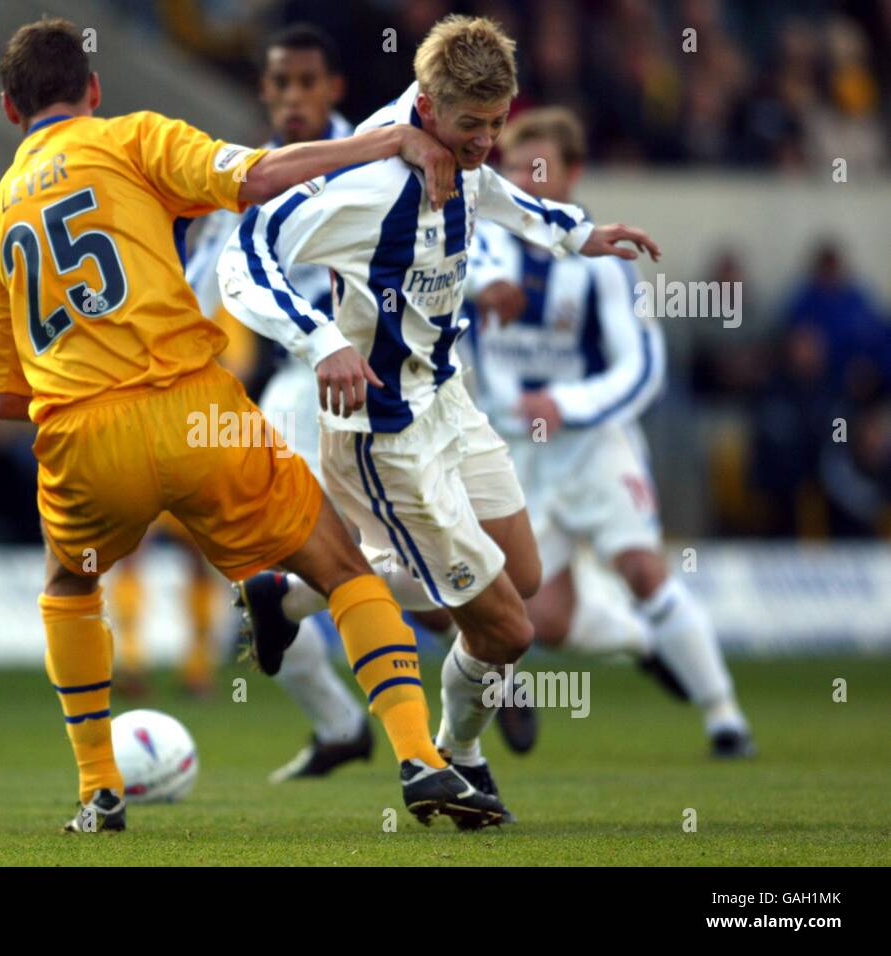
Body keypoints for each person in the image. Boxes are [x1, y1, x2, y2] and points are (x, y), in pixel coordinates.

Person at [0, 17, 507, 833]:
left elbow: (2, 400)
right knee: (339, 569)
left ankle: (98, 791)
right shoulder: (130, 137)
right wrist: (385, 142)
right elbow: (256, 179)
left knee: (70, 584)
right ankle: (419, 759)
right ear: (93, 90)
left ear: (11, 112)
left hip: (83, 435)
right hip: (197, 414)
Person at [219, 15, 661, 819]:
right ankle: (455, 760)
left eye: (498, 123)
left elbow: (489, 189)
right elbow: (243, 257)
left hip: (447, 398)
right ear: (426, 105)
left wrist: (580, 234)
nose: (488, 141)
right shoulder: (368, 179)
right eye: (472, 126)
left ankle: (286, 600)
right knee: (507, 629)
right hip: (382, 429)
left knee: (520, 580)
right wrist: (320, 340)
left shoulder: (455, 144)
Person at [188, 23, 458, 782]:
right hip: (295, 388)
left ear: (334, 88)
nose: (293, 97)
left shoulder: (389, 151)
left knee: (392, 551)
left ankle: (482, 646)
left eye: (307, 82)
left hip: (393, 385)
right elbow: (199, 290)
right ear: (265, 92)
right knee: (263, 564)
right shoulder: (239, 181)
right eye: (280, 84)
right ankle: (344, 724)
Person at [464, 106, 754, 757]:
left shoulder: (598, 259)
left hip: (594, 445)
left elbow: (641, 365)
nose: (525, 183)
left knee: (642, 569)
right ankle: (644, 643)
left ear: (574, 173)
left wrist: (568, 403)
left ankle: (725, 719)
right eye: (512, 169)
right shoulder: (480, 242)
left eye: (538, 169)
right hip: (516, 454)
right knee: (543, 620)